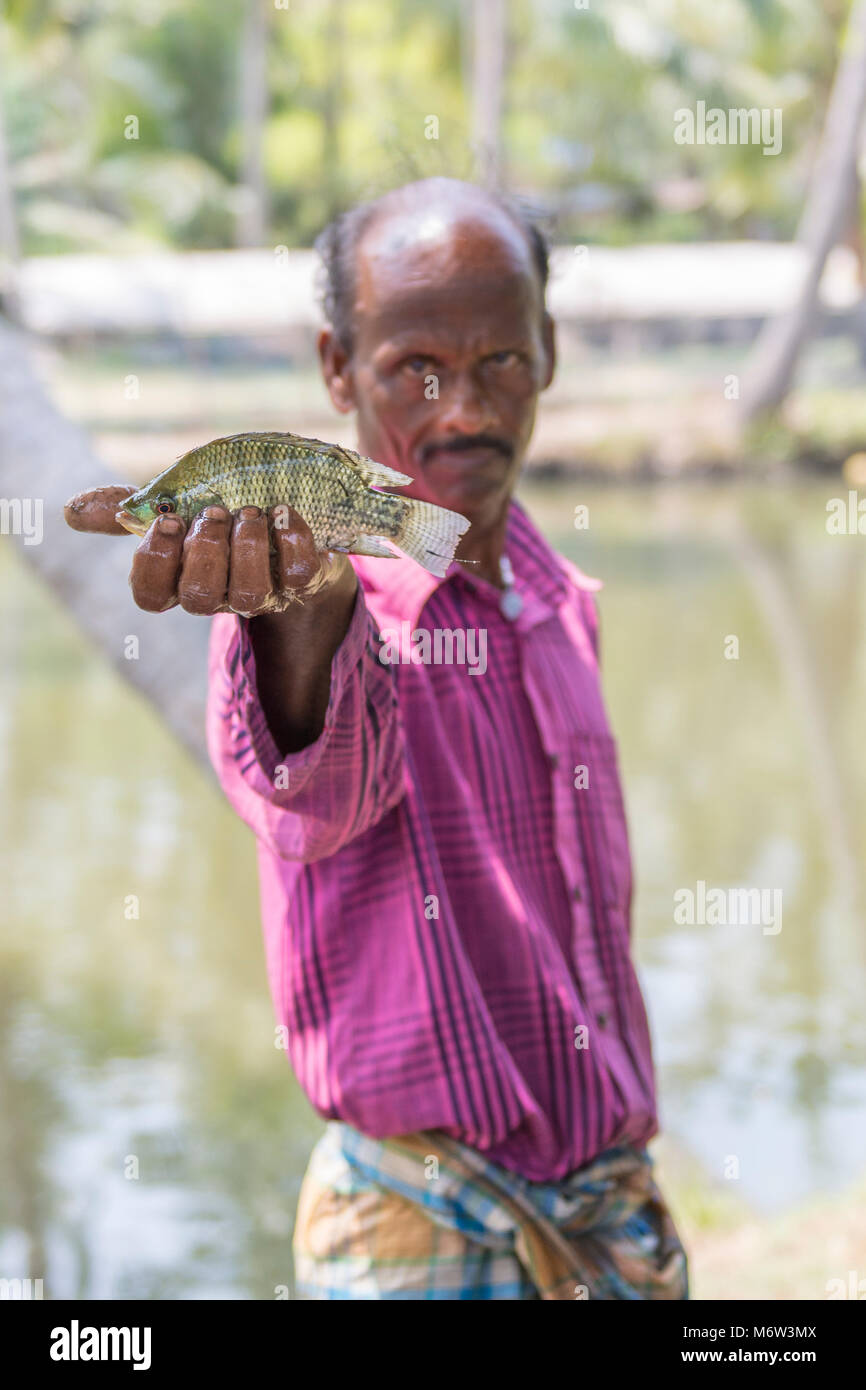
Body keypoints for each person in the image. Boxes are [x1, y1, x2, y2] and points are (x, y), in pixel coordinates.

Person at [66, 177, 688, 1301]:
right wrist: (304, 622)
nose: (462, 410)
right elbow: (315, 792)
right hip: (415, 1228)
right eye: (414, 367)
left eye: (499, 357)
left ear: (547, 352)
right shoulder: (326, 598)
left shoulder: (562, 599)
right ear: (334, 368)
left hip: (608, 1209)